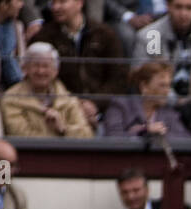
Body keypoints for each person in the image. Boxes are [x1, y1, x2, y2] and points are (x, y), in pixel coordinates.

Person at [35, 0, 125, 129]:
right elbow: (43, 80)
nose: (56, 7)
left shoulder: (105, 34)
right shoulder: (44, 37)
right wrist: (74, 104)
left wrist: (95, 104)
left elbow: (118, 77)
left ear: (79, 3)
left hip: (105, 112)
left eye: (62, 2)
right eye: (53, 3)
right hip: (62, 112)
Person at [1, 41, 93, 136]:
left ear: (55, 71)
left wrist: (63, 129)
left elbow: (86, 135)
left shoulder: (68, 100)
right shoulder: (11, 99)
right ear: (25, 69)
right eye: (36, 65)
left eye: (46, 66)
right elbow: (20, 135)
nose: (40, 71)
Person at [104, 60, 191, 138]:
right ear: (144, 86)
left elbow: (186, 139)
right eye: (162, 85)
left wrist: (160, 134)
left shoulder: (169, 112)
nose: (167, 91)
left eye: (168, 85)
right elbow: (113, 137)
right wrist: (144, 131)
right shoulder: (120, 106)